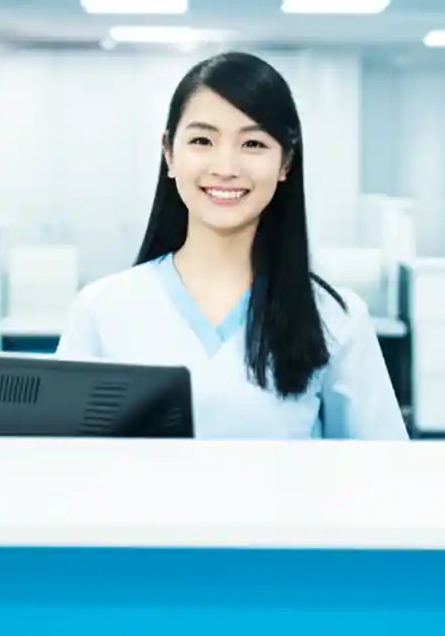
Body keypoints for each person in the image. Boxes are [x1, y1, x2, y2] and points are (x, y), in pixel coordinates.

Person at [56, 51, 408, 440]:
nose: (225, 167)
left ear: (286, 162)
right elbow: (66, 470)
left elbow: (384, 475)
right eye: (202, 140)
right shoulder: (102, 310)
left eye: (253, 144)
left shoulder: (335, 319)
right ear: (170, 154)